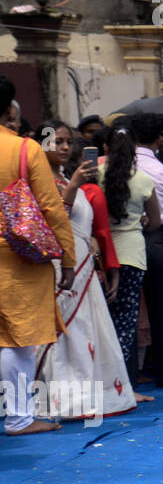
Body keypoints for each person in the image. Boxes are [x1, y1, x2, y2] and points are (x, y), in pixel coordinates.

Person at [38, 123, 136, 421]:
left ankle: (99, 396)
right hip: (59, 266)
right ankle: (67, 400)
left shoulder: (68, 178)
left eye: (69, 142)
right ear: (43, 144)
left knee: (90, 331)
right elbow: (52, 222)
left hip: (84, 265)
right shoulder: (39, 182)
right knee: (69, 332)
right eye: (58, 141)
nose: (66, 147)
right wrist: (73, 186)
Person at [0, 75, 76, 435]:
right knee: (19, 339)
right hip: (18, 259)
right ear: (8, 110)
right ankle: (18, 418)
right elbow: (51, 208)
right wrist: (69, 258)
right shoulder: (24, 149)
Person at [97, 125, 159, 402]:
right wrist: (140, 222)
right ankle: (123, 387)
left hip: (100, 254)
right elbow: (156, 222)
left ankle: (101, 385)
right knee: (125, 323)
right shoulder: (144, 181)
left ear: (106, 148)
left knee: (101, 322)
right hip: (132, 253)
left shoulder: (94, 177)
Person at [131, 114, 163, 390]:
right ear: (159, 138)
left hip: (125, 242)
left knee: (127, 310)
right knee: (160, 309)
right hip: (156, 243)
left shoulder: (119, 168)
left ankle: (129, 374)